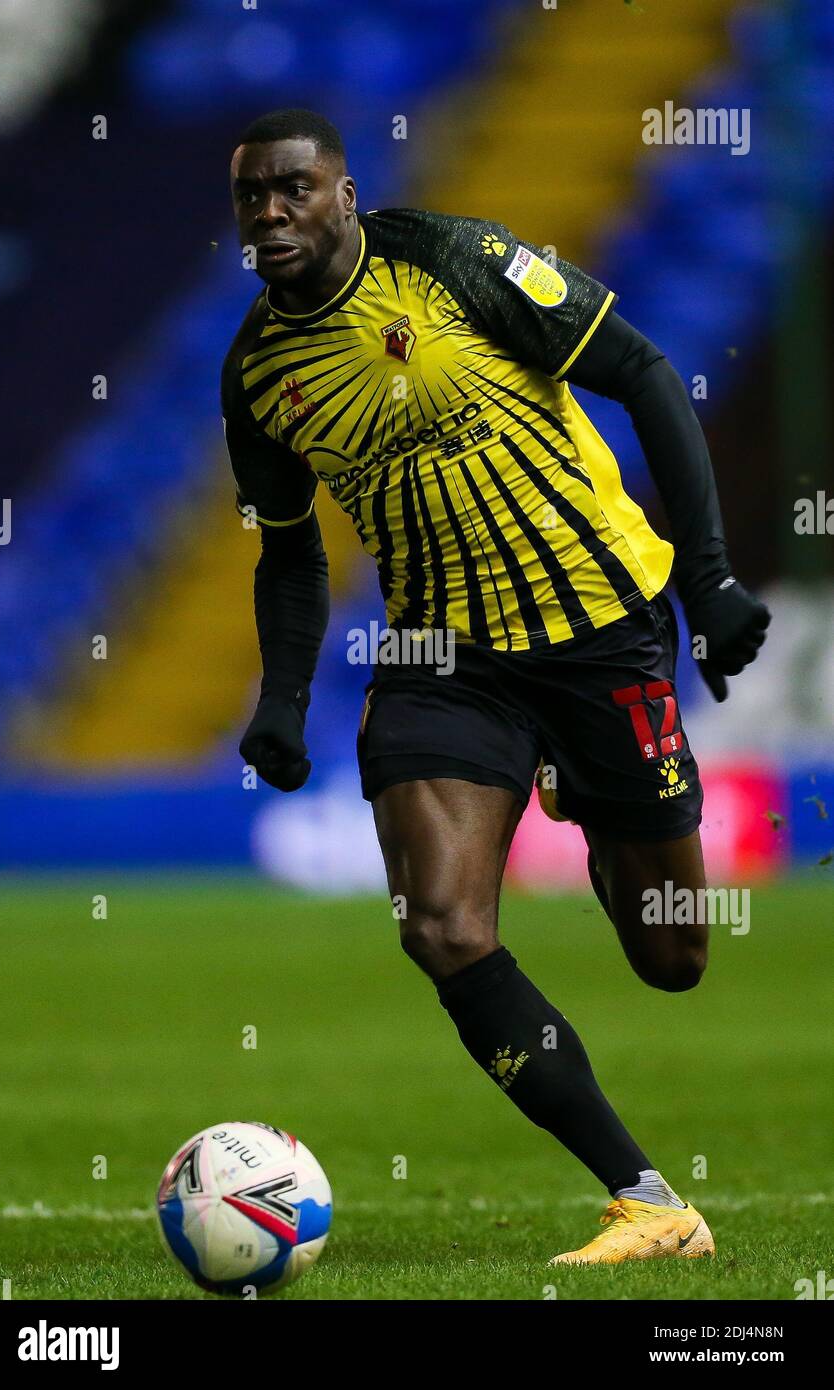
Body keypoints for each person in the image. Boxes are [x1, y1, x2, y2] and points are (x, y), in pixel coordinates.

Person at [221, 108, 770, 1264]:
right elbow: (287, 547)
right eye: (249, 196)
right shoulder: (259, 373)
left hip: (598, 628)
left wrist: (710, 581)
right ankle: (647, 1198)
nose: (267, 212)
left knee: (670, 956)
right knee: (440, 926)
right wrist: (278, 699)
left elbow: (642, 373)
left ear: (343, 195)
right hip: (442, 659)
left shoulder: (458, 262)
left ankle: (584, 791)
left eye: (290, 189)